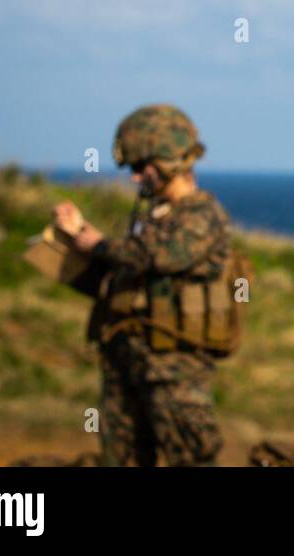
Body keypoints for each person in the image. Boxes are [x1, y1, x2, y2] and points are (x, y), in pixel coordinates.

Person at [53, 104, 237, 467]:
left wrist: (95, 244)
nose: (135, 178)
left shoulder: (201, 215)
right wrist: (73, 243)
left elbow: (159, 257)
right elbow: (128, 272)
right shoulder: (152, 217)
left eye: (140, 167)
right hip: (127, 362)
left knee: (192, 459)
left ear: (169, 161)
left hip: (172, 372)